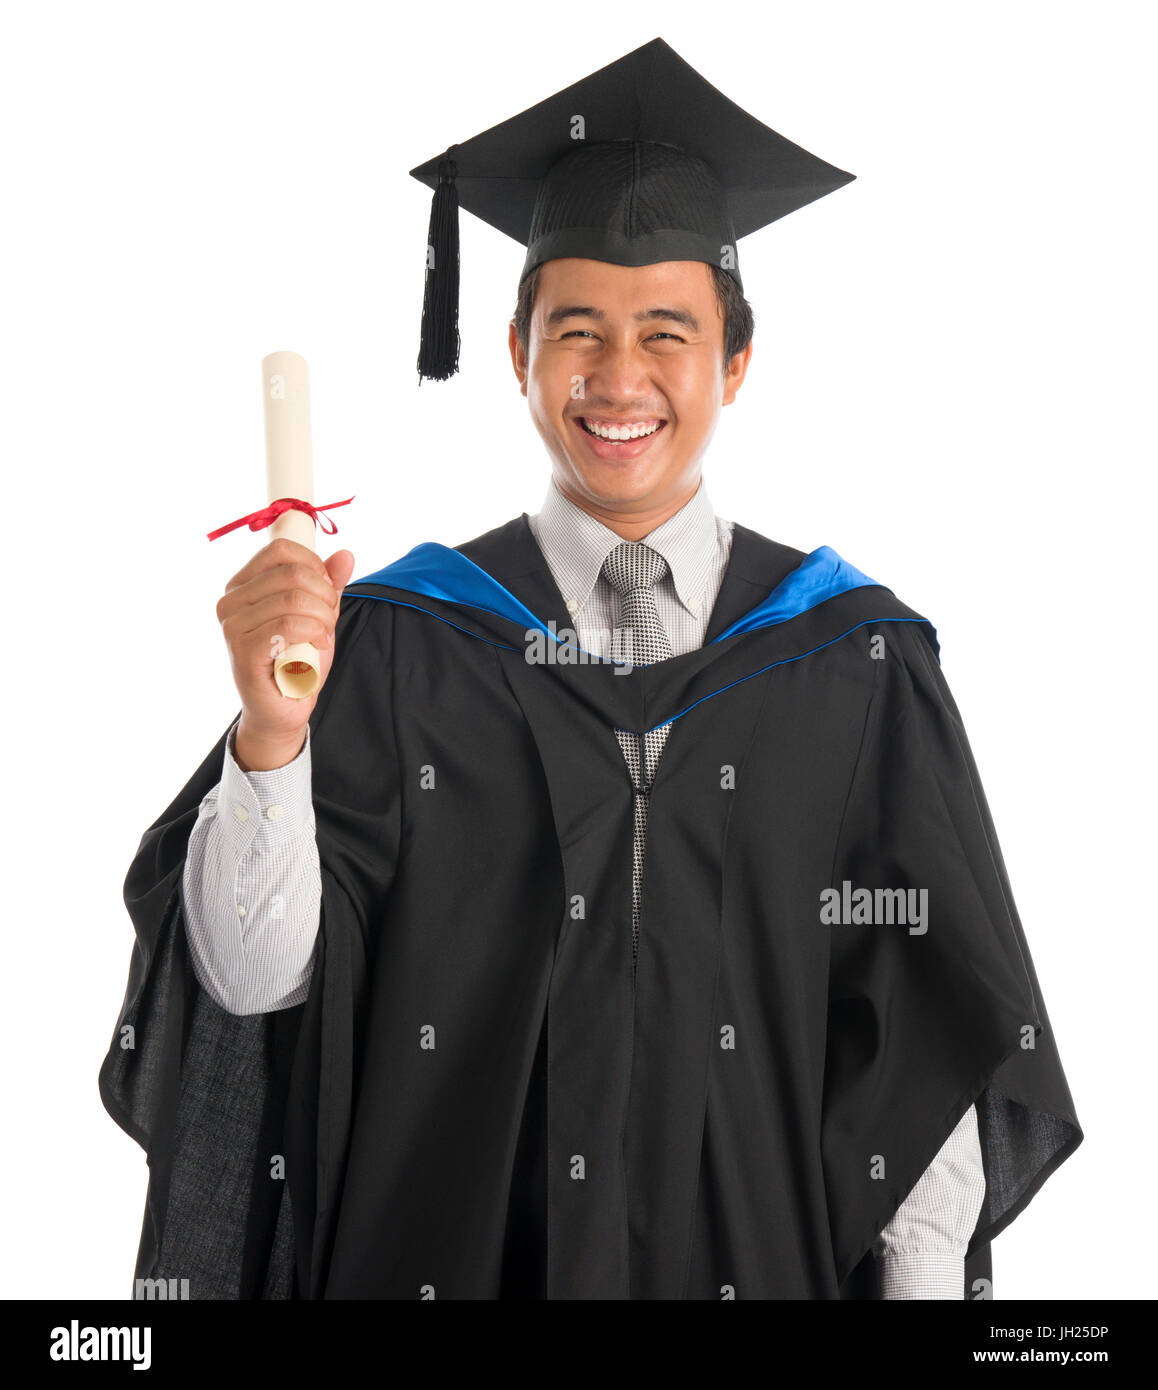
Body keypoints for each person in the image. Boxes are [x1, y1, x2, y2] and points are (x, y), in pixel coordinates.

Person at [101, 37, 1082, 1300]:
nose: (619, 379)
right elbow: (255, 980)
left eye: (666, 332)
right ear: (517, 356)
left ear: (734, 362)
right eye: (579, 331)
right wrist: (272, 736)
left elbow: (928, 1052)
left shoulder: (852, 662)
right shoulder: (405, 643)